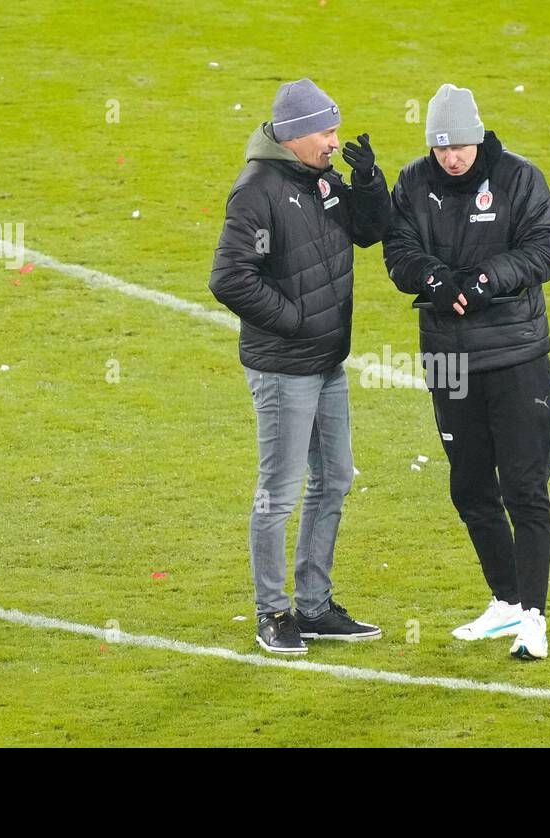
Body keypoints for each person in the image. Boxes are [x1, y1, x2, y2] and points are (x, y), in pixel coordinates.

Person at [209, 79, 391, 654]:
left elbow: (368, 233)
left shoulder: (319, 180)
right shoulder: (257, 189)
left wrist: (368, 184)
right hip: (286, 366)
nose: (335, 141)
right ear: (293, 135)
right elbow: (229, 277)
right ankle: (272, 612)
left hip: (326, 362)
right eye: (327, 132)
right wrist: (295, 319)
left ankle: (313, 607)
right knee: (280, 491)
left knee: (334, 478)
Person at [383, 83, 550, 660]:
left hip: (514, 356)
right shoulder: (413, 182)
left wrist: (487, 280)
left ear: (478, 136)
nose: (451, 158)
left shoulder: (518, 178)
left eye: (459, 146)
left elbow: (546, 247)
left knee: (525, 487)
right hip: (447, 356)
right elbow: (398, 250)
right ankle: (506, 601)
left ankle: (534, 617)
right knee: (468, 484)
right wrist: (435, 280)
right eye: (440, 148)